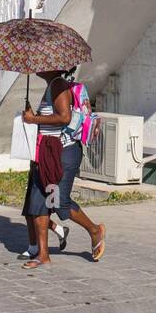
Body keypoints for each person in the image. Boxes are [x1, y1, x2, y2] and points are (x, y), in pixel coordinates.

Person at [19, 68, 106, 269]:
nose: (37, 68)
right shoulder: (52, 86)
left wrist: (34, 119)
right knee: (39, 201)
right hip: (47, 153)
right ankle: (43, 255)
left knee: (60, 203)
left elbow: (64, 117)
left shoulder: (58, 85)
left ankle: (94, 230)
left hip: (63, 154)